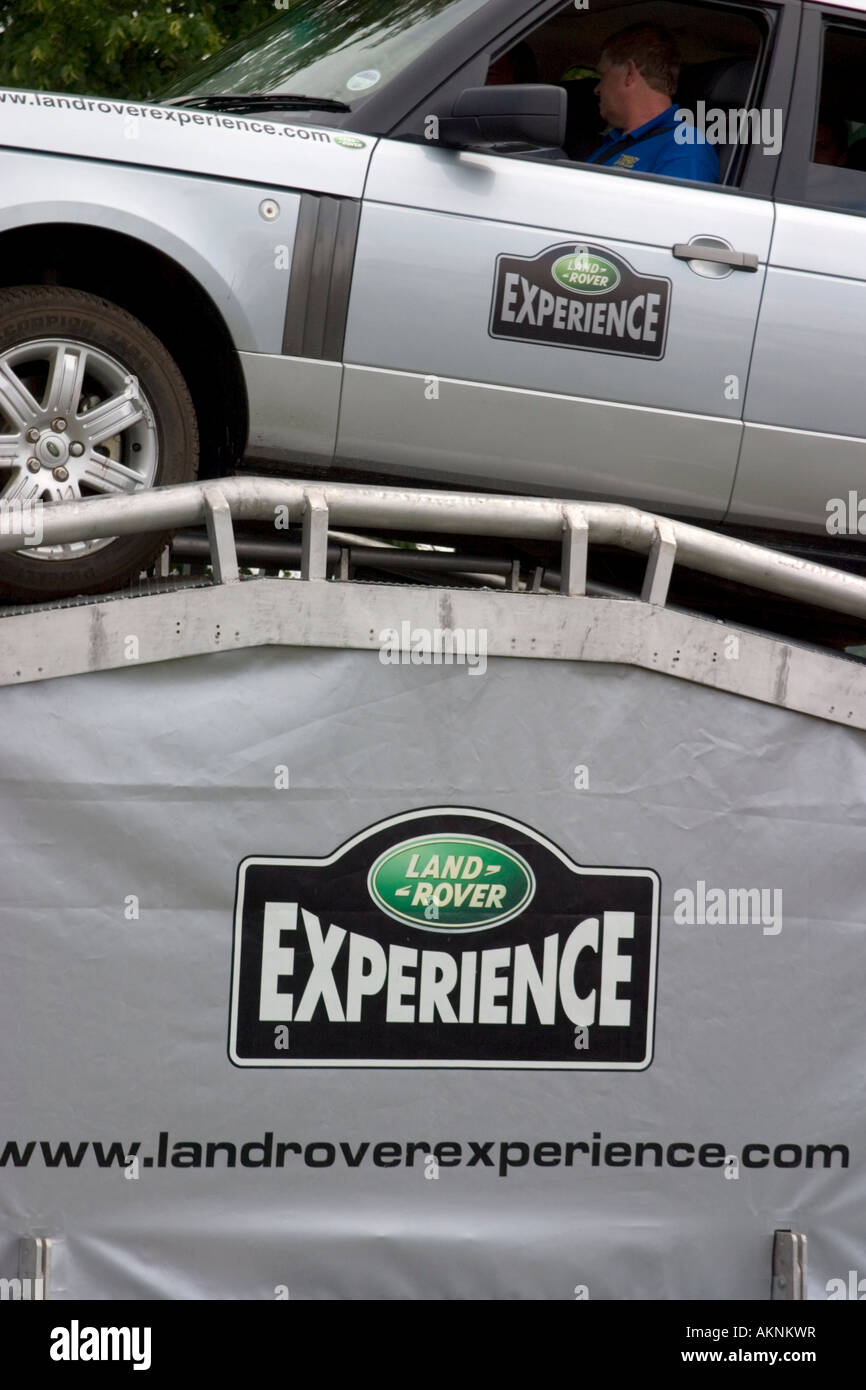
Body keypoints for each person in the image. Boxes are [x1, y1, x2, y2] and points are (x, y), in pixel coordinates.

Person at [587, 24, 718, 183]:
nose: (597, 89)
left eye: (603, 76)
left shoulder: (684, 148)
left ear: (629, 73)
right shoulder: (613, 141)